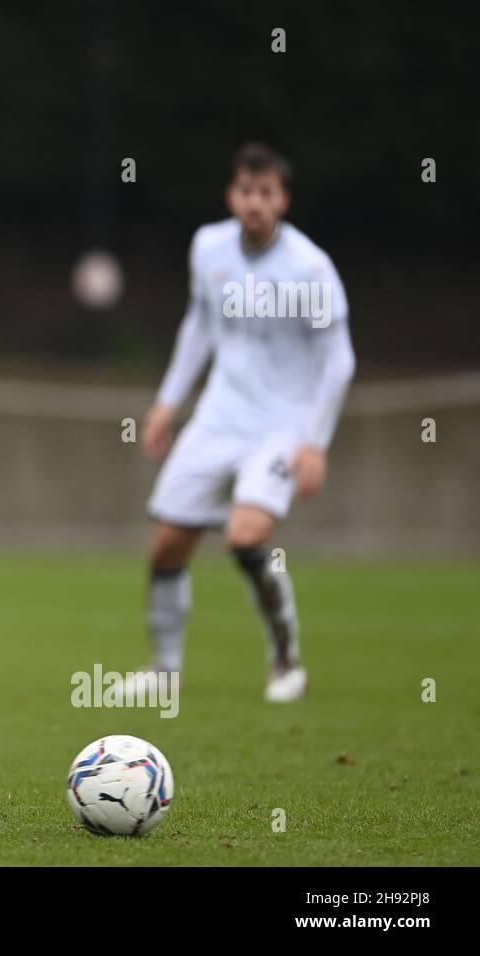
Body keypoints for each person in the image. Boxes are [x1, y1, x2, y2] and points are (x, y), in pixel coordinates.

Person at [135, 143, 355, 702]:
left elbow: (339, 359)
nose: (254, 203)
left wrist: (316, 443)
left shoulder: (310, 267)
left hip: (281, 427)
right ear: (232, 195)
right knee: (166, 544)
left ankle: (285, 663)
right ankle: (165, 670)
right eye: (245, 191)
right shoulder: (208, 247)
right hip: (218, 417)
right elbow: (199, 325)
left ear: (282, 199)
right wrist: (168, 402)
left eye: (266, 193)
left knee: (245, 536)